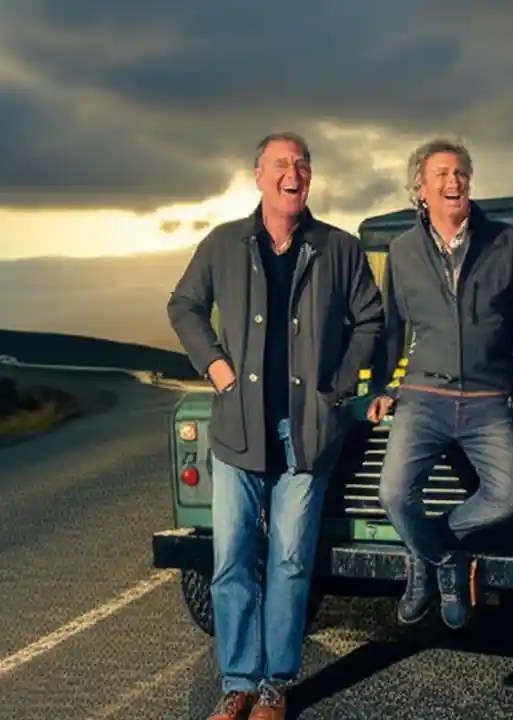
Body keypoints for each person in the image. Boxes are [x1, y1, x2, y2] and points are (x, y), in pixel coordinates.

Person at [167, 132, 384, 720]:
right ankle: (237, 681)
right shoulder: (223, 243)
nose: (294, 173)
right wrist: (216, 367)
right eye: (282, 164)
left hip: (306, 432)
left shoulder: (337, 247)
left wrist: (337, 387)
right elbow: (183, 305)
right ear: (258, 176)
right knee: (233, 559)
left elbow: (370, 318)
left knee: (290, 560)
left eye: (302, 165)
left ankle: (274, 687)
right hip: (239, 431)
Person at [366, 137, 513, 630]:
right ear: (421, 188)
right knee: (393, 494)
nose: (453, 182)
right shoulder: (402, 250)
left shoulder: (508, 242)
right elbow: (392, 327)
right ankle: (445, 563)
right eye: (442, 175)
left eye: (460, 173)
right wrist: (380, 386)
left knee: (508, 497)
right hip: (424, 396)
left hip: (488, 397)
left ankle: (429, 551)